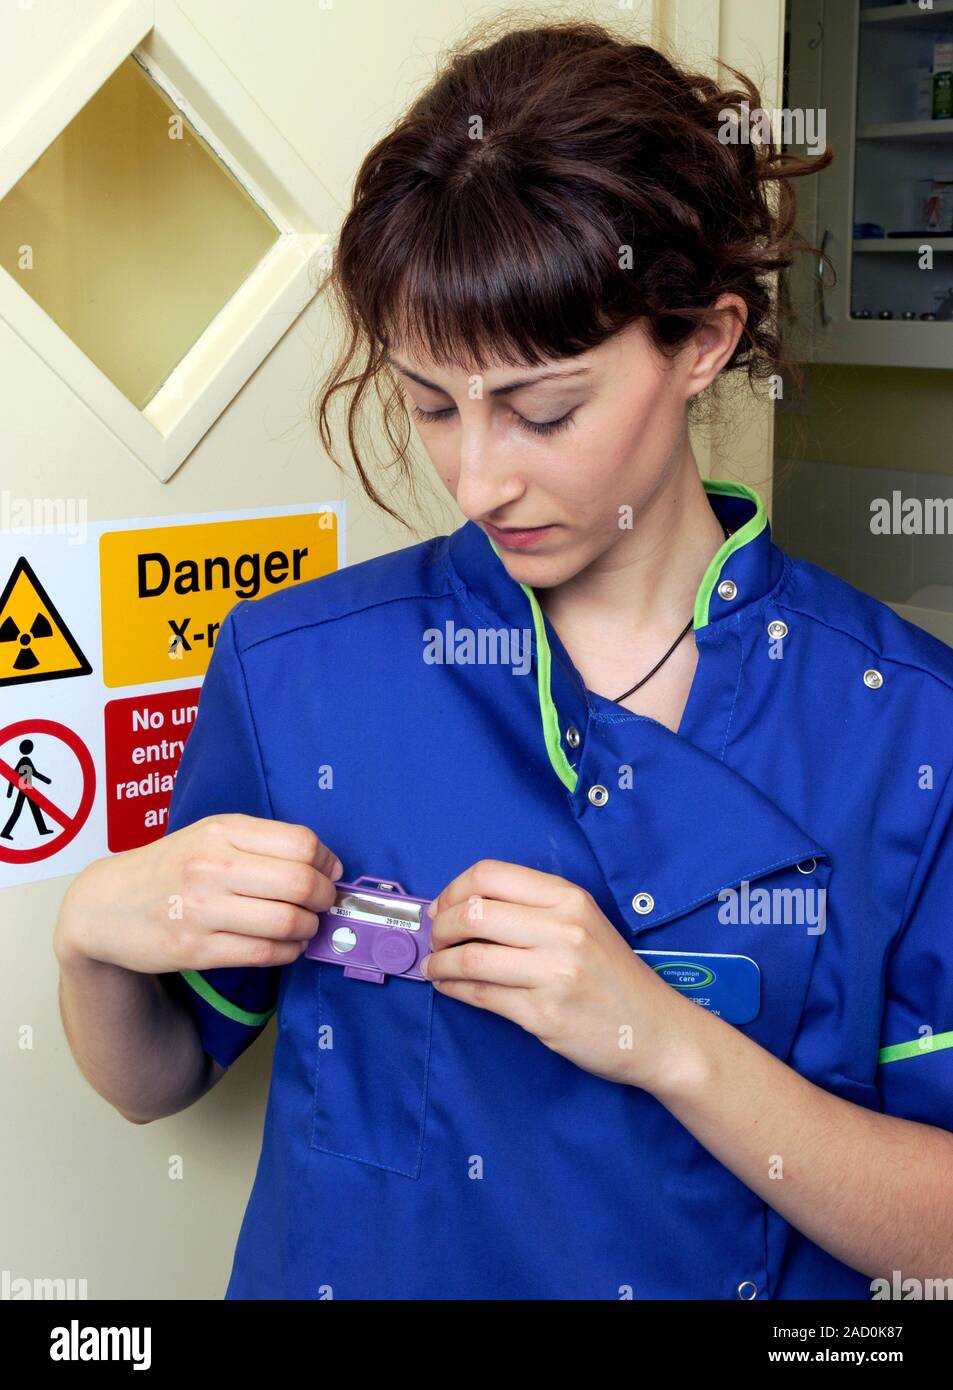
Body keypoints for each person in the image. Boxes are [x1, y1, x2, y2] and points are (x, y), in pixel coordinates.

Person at [55, 17, 953, 1300]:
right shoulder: (297, 670)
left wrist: (661, 1039)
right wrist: (90, 942)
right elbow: (162, 1079)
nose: (474, 478)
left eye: (544, 409)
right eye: (430, 403)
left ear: (699, 340)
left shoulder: (905, 732)